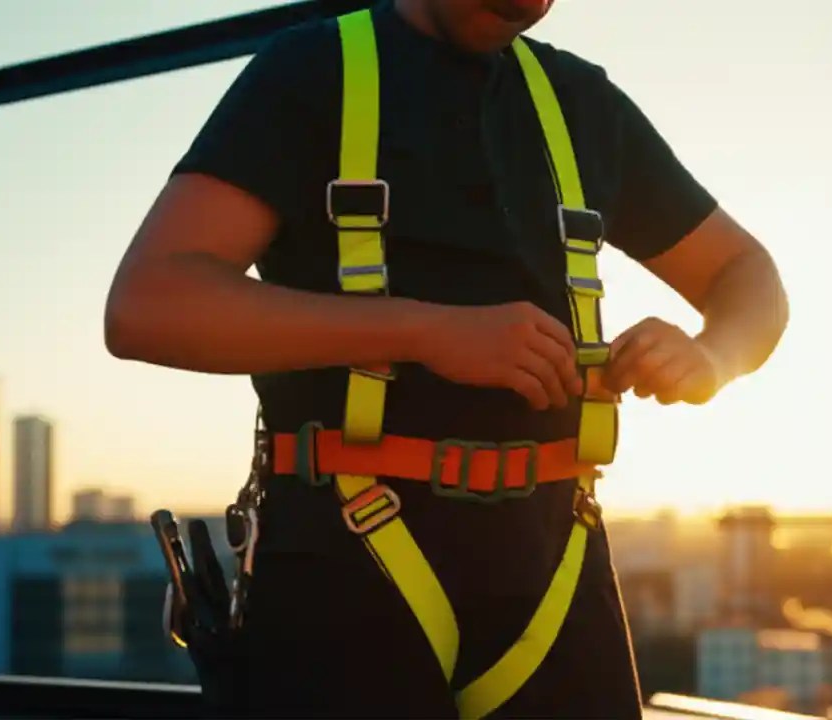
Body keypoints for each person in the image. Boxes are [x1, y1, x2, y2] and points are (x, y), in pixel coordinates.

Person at [104, 0, 789, 716]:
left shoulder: (581, 104)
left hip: (557, 572)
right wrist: (427, 332)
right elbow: (149, 305)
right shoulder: (313, 72)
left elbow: (747, 274)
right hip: (343, 579)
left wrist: (714, 355)